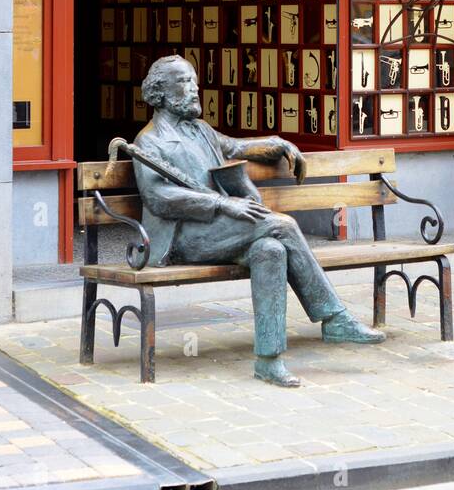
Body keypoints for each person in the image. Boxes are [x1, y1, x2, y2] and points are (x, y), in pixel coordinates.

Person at [132, 54, 384, 386]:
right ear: (159, 92)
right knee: (283, 225)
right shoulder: (149, 141)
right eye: (184, 82)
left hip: (220, 231)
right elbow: (158, 198)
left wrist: (276, 144)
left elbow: (236, 148)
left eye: (194, 80)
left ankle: (268, 360)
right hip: (184, 237)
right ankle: (334, 317)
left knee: (270, 250)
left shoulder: (200, 130)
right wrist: (224, 204)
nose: (194, 89)